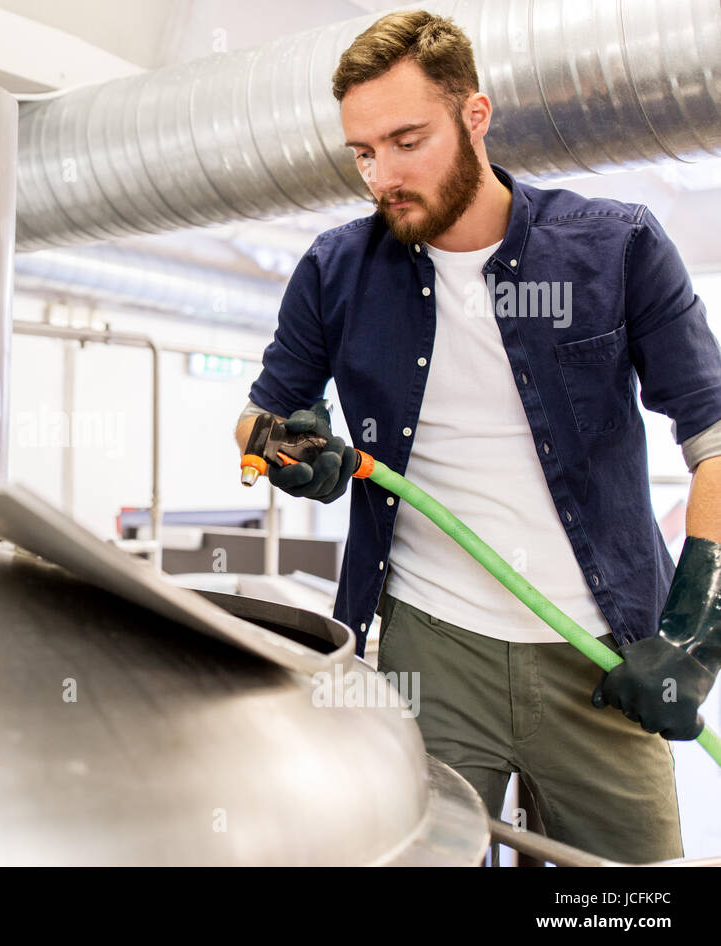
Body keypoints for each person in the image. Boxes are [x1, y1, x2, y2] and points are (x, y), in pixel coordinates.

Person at [234, 9, 721, 863]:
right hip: (430, 645)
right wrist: (285, 450)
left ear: (475, 116)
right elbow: (260, 414)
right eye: (362, 153)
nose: (382, 174)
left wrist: (695, 638)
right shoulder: (335, 269)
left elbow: (715, 440)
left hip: (601, 653)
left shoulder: (617, 249)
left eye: (406, 140)